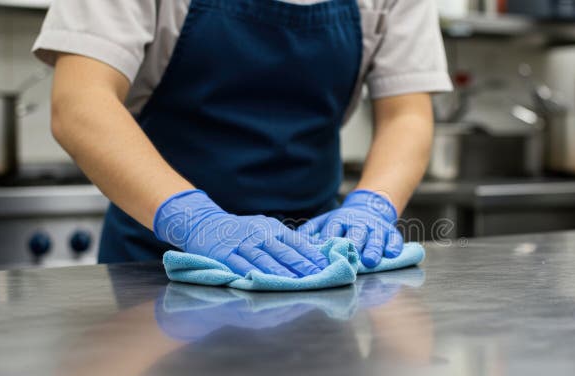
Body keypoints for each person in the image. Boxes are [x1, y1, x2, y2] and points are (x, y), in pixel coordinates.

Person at [33, 0, 451, 277]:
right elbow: (80, 101)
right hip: (157, 263)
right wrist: (195, 220)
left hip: (315, 265)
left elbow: (406, 115)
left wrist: (372, 205)